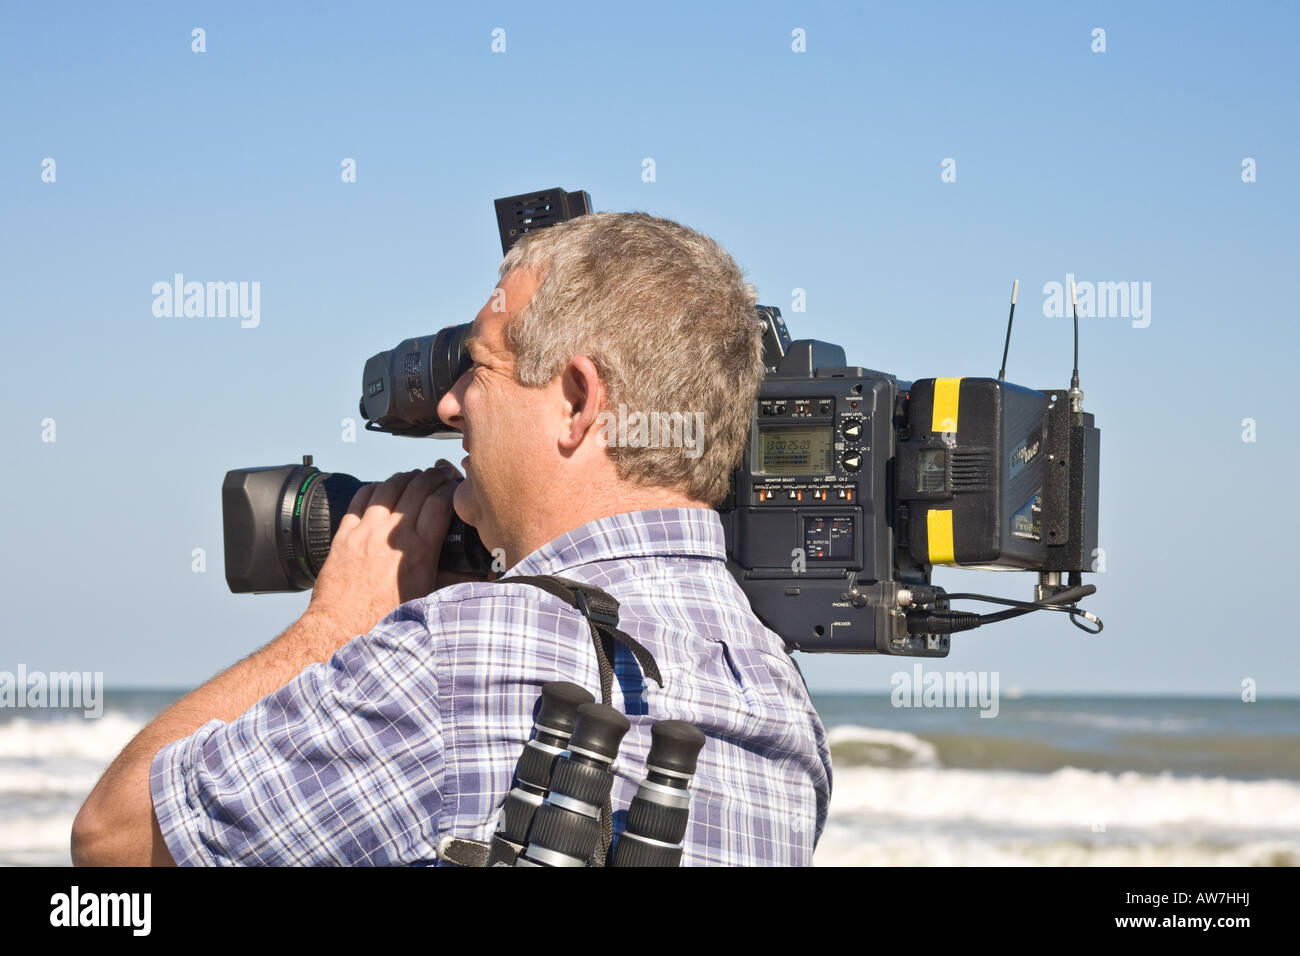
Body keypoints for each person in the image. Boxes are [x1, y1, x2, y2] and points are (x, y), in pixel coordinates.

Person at [71, 211, 832, 866]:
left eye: (478, 367)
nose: (447, 403)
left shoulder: (463, 655)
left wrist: (336, 627)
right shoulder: (775, 683)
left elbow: (115, 838)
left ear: (575, 400)